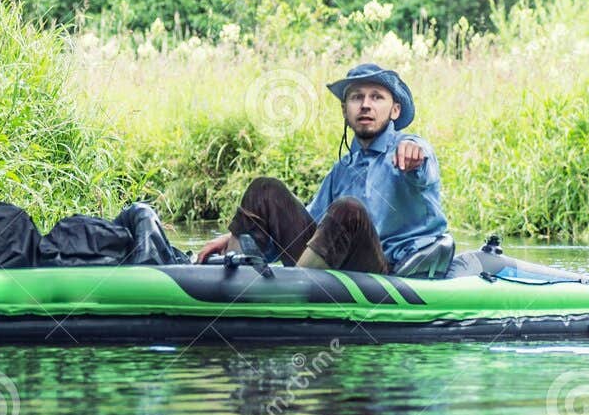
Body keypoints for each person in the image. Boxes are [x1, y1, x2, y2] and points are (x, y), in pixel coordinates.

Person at [195, 62, 458, 277]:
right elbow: (308, 228)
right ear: (345, 110)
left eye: (376, 97)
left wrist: (415, 156)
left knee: (349, 210)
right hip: (330, 262)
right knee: (265, 190)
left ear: (395, 110)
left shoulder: (410, 148)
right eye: (357, 97)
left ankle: (291, 292)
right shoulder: (342, 170)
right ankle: (231, 270)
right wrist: (236, 233)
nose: (366, 105)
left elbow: (422, 165)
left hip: (385, 272)